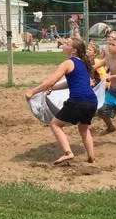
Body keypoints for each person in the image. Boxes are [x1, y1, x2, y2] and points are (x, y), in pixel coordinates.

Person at [24, 37, 97, 166]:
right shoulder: (83, 63)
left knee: (55, 124)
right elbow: (72, 83)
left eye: (67, 44)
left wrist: (33, 91)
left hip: (78, 101)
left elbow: (50, 81)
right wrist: (54, 88)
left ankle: (68, 152)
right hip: (92, 101)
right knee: (84, 128)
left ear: (73, 50)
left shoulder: (68, 63)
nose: (64, 44)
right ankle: (91, 157)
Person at [86, 41, 116, 133]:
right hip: (92, 88)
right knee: (95, 109)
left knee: (99, 110)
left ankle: (110, 126)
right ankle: (110, 127)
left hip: (100, 88)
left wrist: (106, 85)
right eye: (86, 49)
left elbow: (103, 76)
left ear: (95, 53)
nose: (87, 51)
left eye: (89, 49)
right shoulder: (85, 61)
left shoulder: (97, 62)